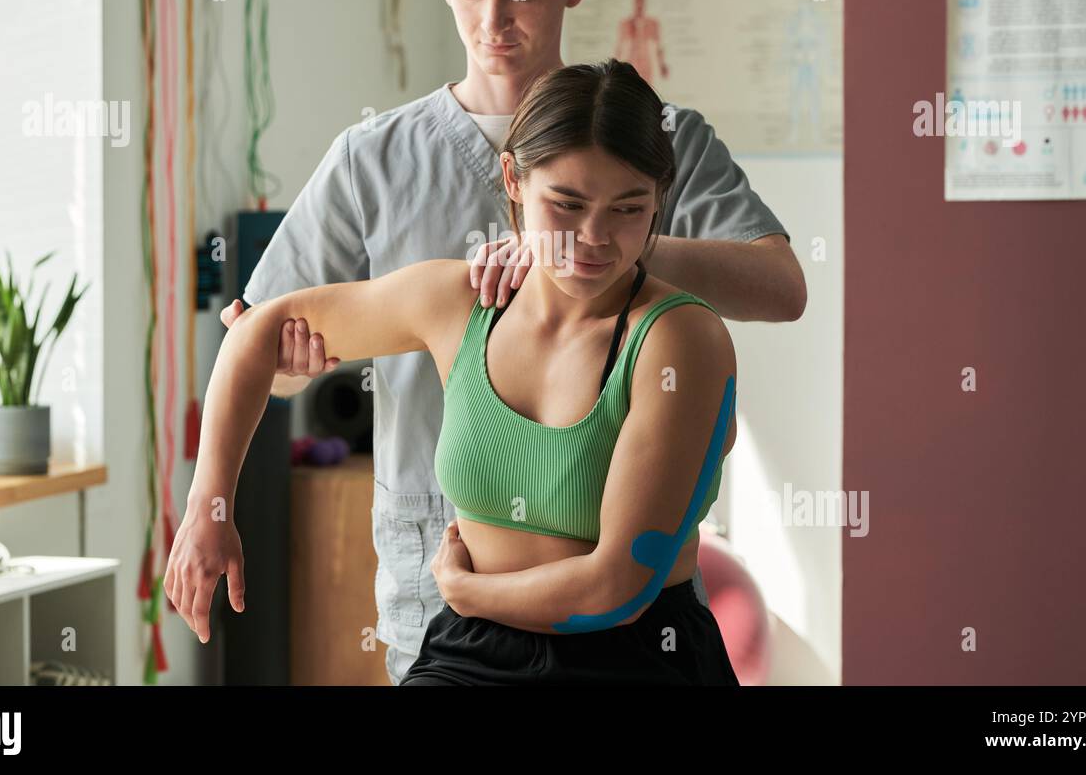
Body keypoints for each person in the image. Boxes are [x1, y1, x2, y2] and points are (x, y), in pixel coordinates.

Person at [171, 0, 805, 686]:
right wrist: (214, 494)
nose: (494, 21)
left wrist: (596, 257)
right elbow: (265, 347)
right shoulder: (375, 161)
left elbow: (781, 286)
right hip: (440, 577)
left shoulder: (660, 142)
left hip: (618, 608)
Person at [173, 59, 741, 685]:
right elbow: (258, 332)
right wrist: (209, 509)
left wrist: (470, 595)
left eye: (628, 209)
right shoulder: (458, 303)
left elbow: (617, 586)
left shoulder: (680, 339)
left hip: (633, 652)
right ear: (514, 180)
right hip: (470, 653)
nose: (593, 238)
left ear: (660, 199)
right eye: (567, 204)